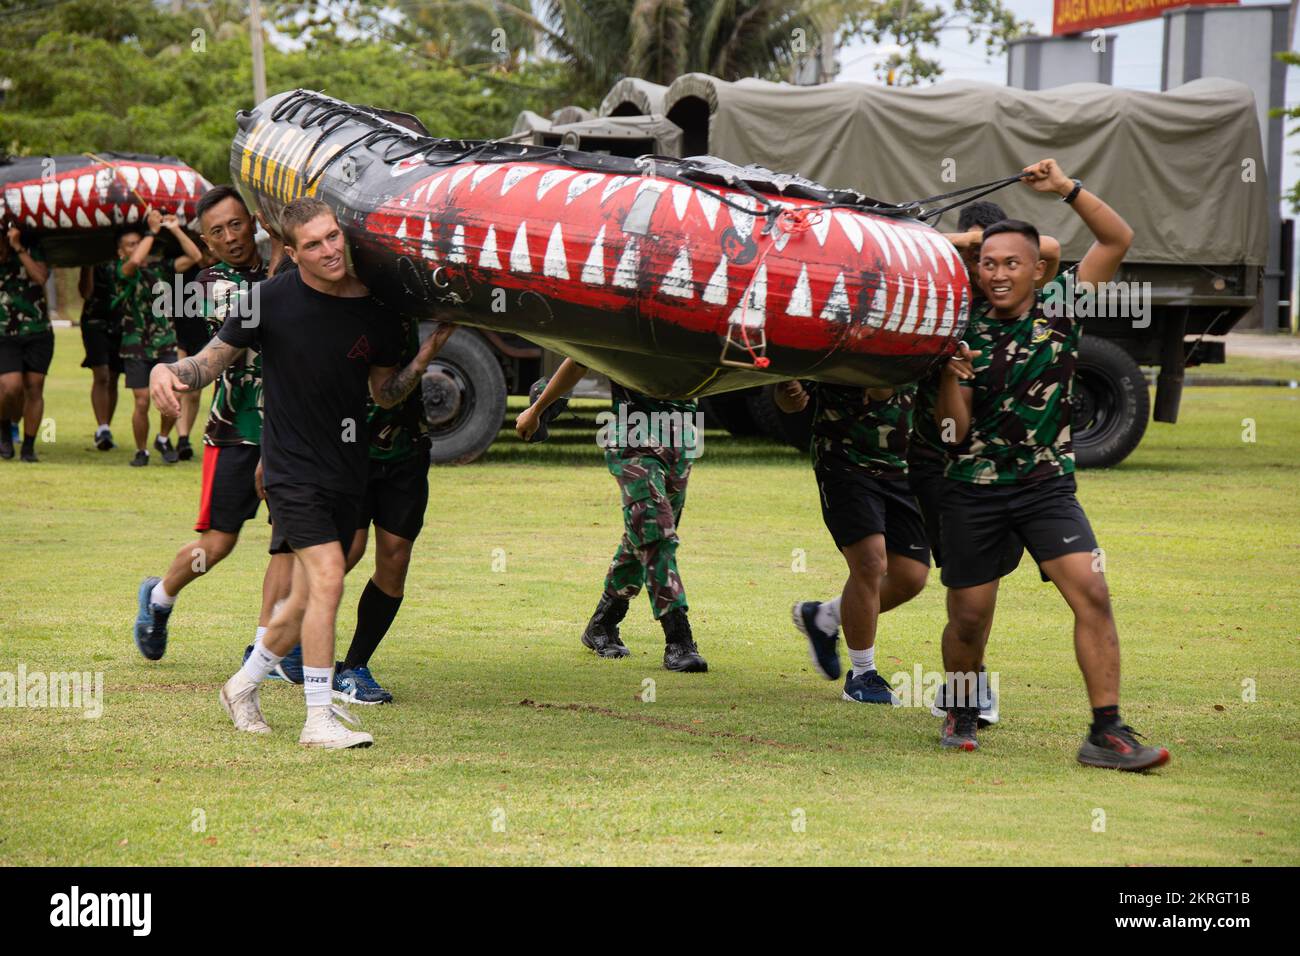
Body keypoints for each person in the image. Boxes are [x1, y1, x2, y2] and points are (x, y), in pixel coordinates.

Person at [149, 197, 453, 749]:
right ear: (292, 252)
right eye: (313, 244)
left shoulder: (377, 311)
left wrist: (424, 354)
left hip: (348, 467)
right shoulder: (266, 301)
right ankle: (317, 719)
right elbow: (210, 361)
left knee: (308, 598)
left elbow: (384, 395)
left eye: (333, 237)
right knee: (330, 574)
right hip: (290, 469)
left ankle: (242, 686)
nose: (329, 250)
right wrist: (166, 370)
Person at [932, 158, 1169, 771]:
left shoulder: (1061, 309)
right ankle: (961, 708)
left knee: (1091, 590)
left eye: (1012, 264)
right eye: (988, 264)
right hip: (972, 489)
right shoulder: (959, 328)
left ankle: (1106, 732)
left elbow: (1118, 239)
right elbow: (951, 434)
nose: (999, 274)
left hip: (1046, 487)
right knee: (969, 615)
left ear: (1040, 270)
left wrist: (1066, 189)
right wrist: (952, 380)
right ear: (975, 270)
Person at [133, 186, 292, 666]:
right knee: (218, 543)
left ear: (253, 221)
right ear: (206, 239)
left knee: (289, 539)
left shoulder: (292, 266)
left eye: (237, 224)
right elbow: (259, 311)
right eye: (217, 231)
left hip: (290, 428)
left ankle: (266, 647)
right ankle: (159, 597)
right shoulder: (208, 283)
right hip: (235, 428)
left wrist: (285, 246)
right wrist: (282, 248)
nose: (230, 237)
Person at [516, 361, 708, 673]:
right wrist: (537, 409)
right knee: (654, 534)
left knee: (641, 538)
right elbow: (580, 357)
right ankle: (679, 640)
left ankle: (602, 624)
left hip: (682, 438)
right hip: (633, 437)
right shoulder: (633, 315)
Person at [777, 379, 929, 703]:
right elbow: (790, 401)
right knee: (870, 562)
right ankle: (862, 676)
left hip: (905, 465)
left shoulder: (924, 330)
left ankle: (825, 615)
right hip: (845, 458)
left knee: (911, 577)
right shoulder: (838, 331)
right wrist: (788, 393)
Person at [336, 309, 442, 704]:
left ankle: (353, 667)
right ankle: (280, 641)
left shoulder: (403, 297)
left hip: (405, 447)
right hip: (345, 448)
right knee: (345, 551)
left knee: (395, 558)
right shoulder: (331, 297)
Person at [115, 209, 202, 466]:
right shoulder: (123, 270)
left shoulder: (161, 268)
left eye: (137, 242)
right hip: (136, 345)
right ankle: (141, 451)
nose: (136, 247)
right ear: (121, 251)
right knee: (142, 401)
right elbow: (134, 263)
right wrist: (151, 232)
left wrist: (174, 228)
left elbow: (195, 256)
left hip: (166, 341)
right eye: (130, 245)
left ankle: (163, 438)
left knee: (173, 396)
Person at [0, 226, 52, 463]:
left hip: (38, 330)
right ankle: (4, 430)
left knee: (35, 386)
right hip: (4, 332)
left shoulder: (32, 247)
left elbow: (40, 277)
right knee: (11, 387)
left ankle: (29, 446)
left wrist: (19, 248)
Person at [78, 260, 125, 451]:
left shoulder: (126, 258)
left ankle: (106, 429)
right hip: (94, 321)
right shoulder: (92, 261)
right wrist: (89, 263)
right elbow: (86, 293)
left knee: (113, 376)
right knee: (102, 374)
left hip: (121, 320)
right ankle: (102, 427)